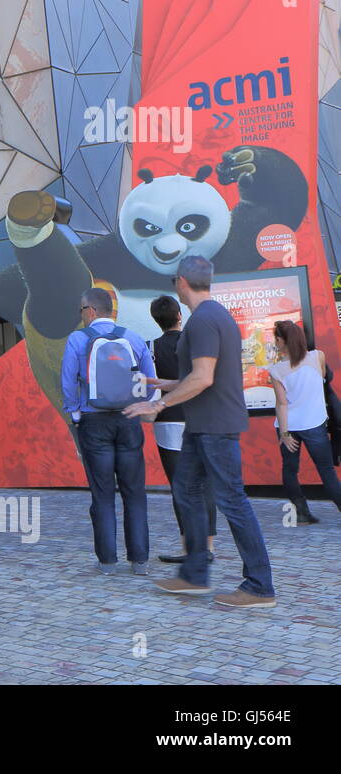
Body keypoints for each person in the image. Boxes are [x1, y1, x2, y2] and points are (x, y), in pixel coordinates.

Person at [124, 255, 276, 608]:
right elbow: (202, 376)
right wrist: (161, 383)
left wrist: (157, 404)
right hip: (202, 426)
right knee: (187, 491)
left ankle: (259, 585)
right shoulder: (212, 316)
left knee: (232, 502)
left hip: (215, 427)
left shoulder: (204, 320)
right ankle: (194, 574)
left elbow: (204, 378)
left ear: (180, 282)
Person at [60, 287, 154, 575]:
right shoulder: (133, 337)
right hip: (128, 420)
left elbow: (67, 381)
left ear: (90, 311)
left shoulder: (78, 339)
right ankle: (139, 561)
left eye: (81, 311)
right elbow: (150, 379)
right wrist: (142, 407)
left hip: (94, 423)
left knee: (102, 494)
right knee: (134, 493)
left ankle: (107, 562)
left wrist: (76, 413)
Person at [149, 296, 217, 563]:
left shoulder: (151, 348)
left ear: (156, 319)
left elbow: (151, 386)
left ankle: (188, 548)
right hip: (200, 418)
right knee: (205, 484)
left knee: (180, 487)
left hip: (168, 422)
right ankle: (208, 547)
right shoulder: (195, 344)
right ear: (179, 315)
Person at [270, 319, 341, 523]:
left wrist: (284, 434)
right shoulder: (318, 356)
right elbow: (325, 380)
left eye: (277, 337)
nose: (275, 341)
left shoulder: (277, 370)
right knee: (327, 471)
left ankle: (301, 512)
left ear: (284, 341)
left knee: (290, 469)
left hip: (288, 426)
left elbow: (281, 404)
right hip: (314, 424)